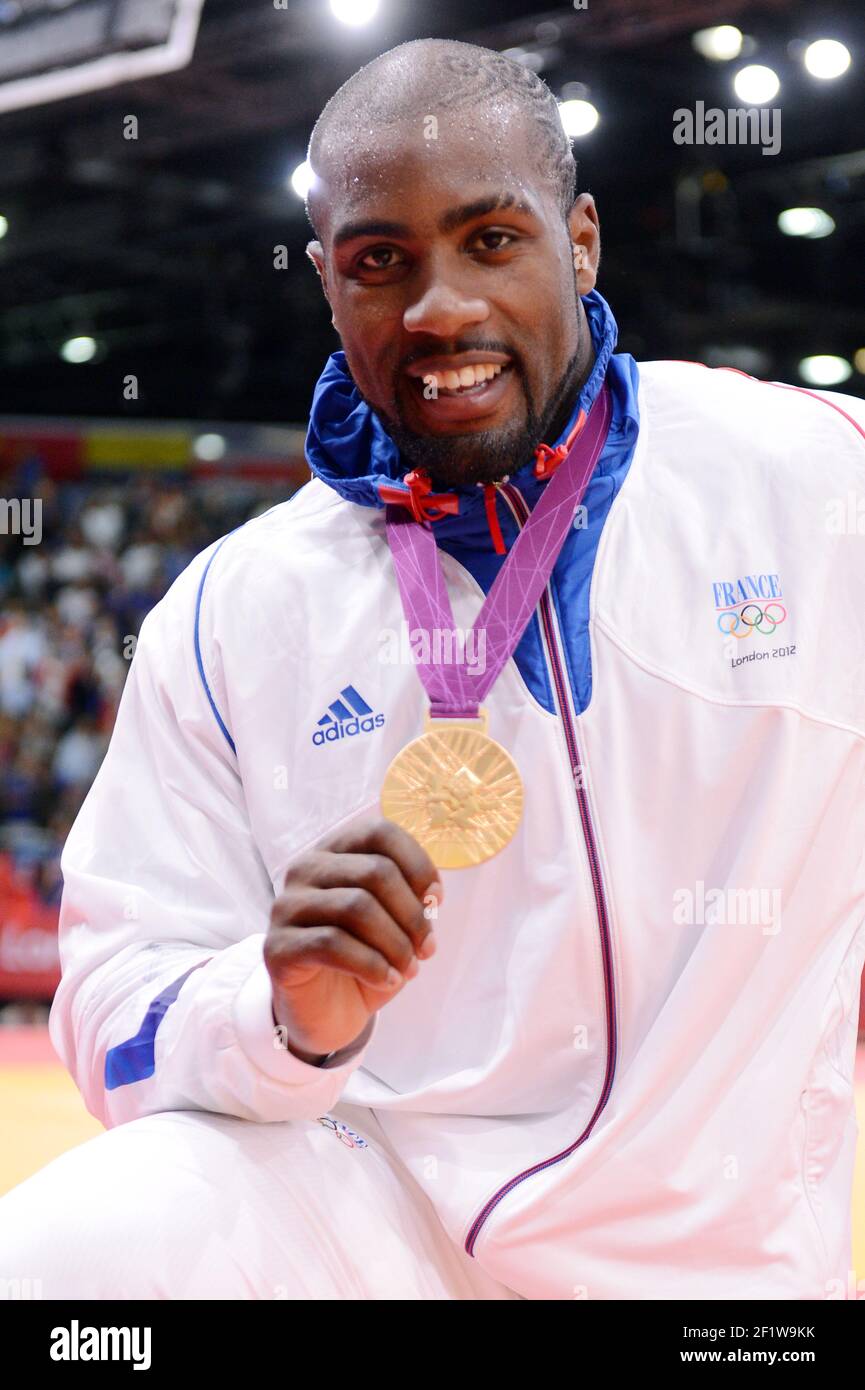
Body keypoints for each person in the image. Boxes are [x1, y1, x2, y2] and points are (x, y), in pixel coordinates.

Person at [2, 37, 864, 1302]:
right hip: (380, 1235)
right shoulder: (234, 610)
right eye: (380, 262)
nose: (438, 307)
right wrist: (279, 1006)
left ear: (578, 240)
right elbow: (112, 1011)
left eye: (490, 240)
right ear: (328, 284)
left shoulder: (813, 481)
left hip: (730, 1278)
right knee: (67, 1268)